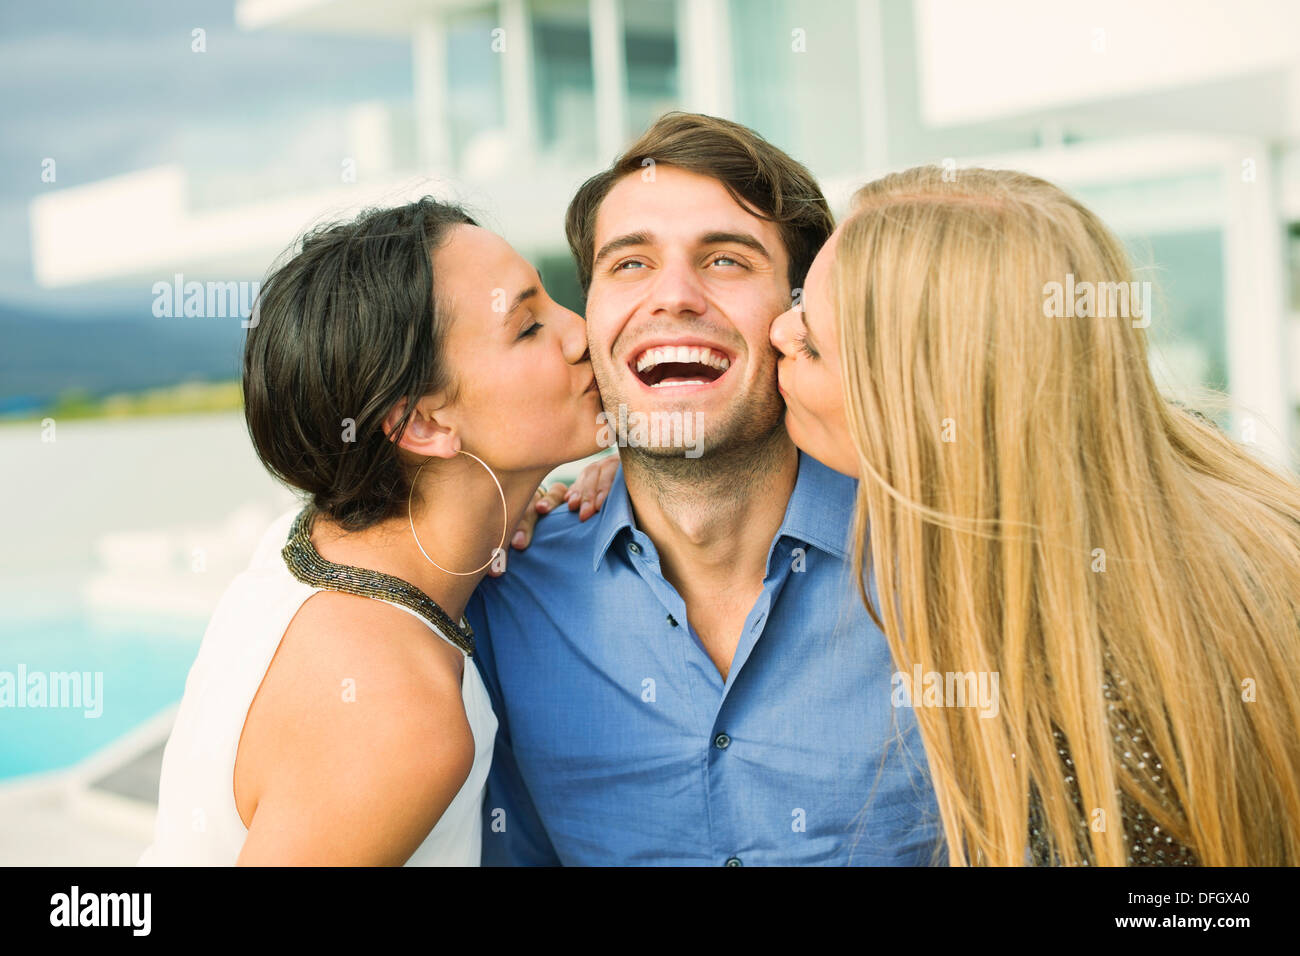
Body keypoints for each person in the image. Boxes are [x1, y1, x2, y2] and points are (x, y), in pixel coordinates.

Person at [770, 164, 1300, 865]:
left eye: (811, 344)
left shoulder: (1110, 719)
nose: (777, 328)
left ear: (925, 416)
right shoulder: (1204, 511)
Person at [467, 113, 944, 866]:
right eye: (629, 265)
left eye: (725, 260)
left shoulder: (949, 564)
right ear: (590, 319)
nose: (675, 297)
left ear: (799, 316)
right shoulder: (502, 592)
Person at [139, 198, 603, 865]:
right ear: (423, 426)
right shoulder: (396, 712)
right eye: (527, 327)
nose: (580, 331)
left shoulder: (303, 545)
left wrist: (513, 503)